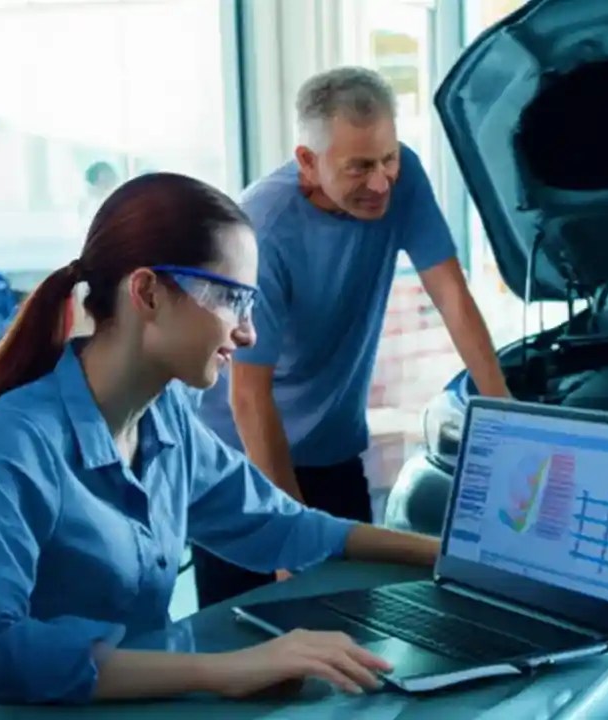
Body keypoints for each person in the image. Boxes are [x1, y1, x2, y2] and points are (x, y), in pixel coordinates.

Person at [0, 173, 441, 720]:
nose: (248, 333)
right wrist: (227, 671)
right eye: (232, 299)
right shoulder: (18, 439)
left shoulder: (167, 417)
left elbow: (286, 526)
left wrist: (448, 558)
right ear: (148, 293)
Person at [193, 67, 509, 608]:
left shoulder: (402, 178)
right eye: (360, 166)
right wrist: (287, 537)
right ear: (308, 162)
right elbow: (249, 398)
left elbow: (452, 297)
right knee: (250, 648)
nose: (382, 181)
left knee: (355, 625)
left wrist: (505, 415)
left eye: (387, 158)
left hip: (332, 450)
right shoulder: (261, 231)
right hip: (239, 464)